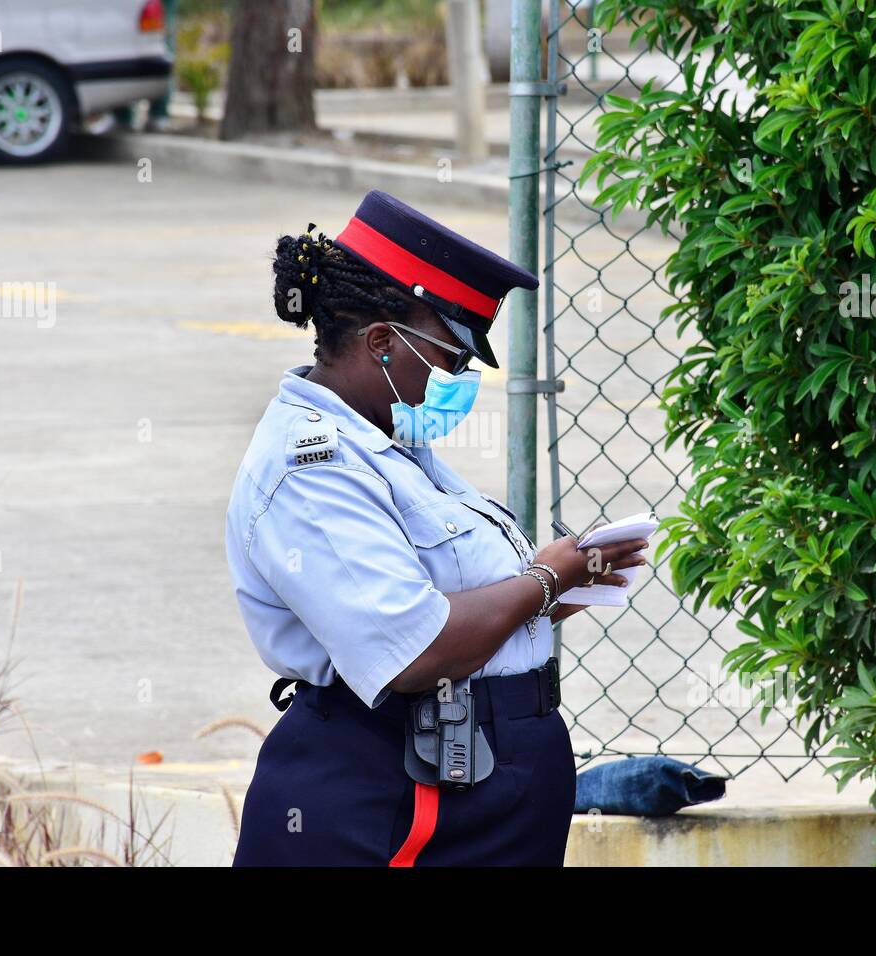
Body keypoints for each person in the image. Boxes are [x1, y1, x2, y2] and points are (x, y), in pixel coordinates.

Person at [223, 189, 649, 866]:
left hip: (471, 786)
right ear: (382, 343)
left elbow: (455, 604)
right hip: (396, 796)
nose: (458, 379)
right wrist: (544, 579)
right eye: (451, 359)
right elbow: (416, 651)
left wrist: (560, 589)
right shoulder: (312, 466)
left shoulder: (391, 443)